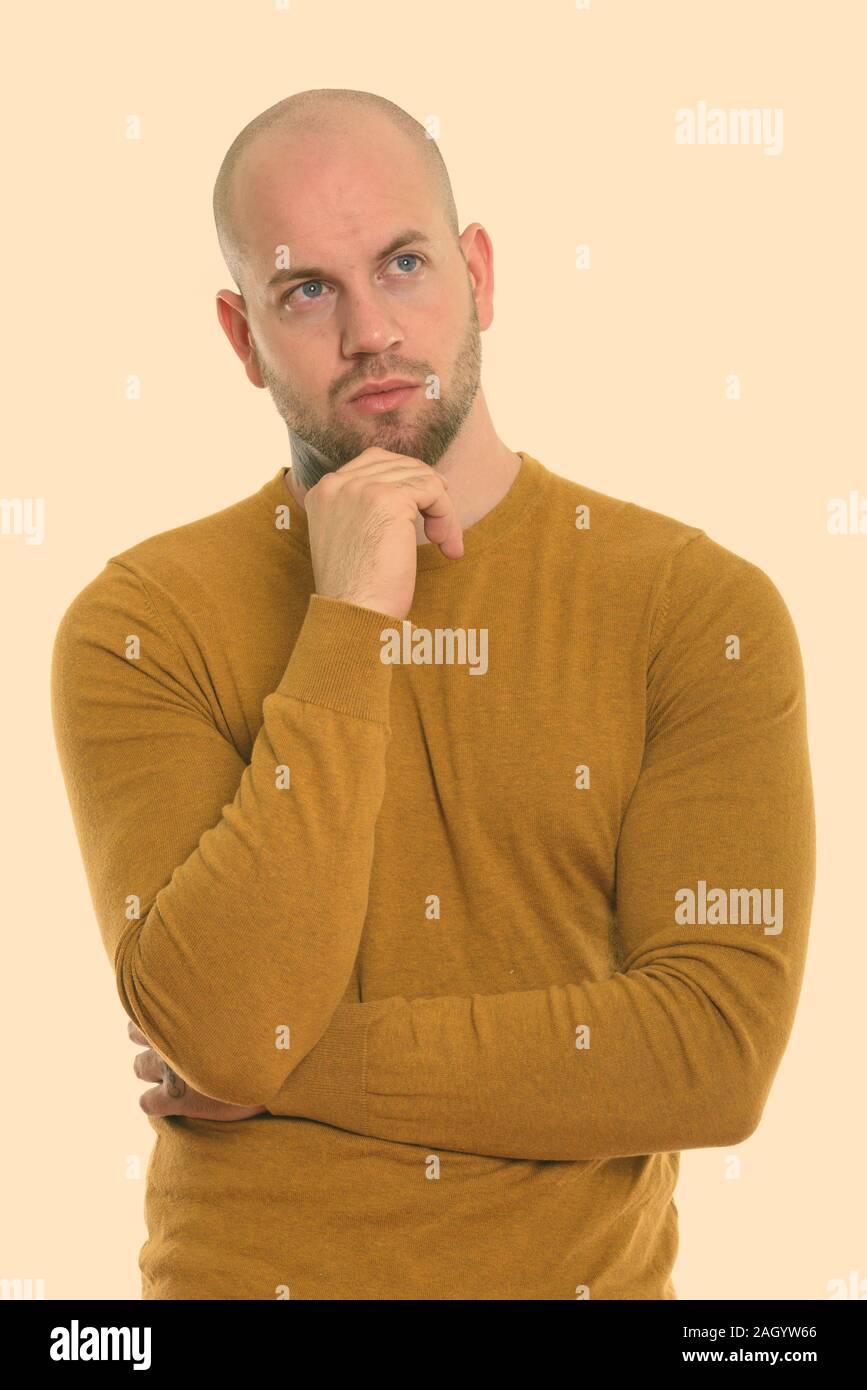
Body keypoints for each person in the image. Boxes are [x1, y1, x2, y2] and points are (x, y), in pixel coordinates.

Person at [50, 87, 815, 1300]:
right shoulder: (141, 624)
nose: (370, 332)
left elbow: (713, 1055)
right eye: (307, 290)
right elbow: (230, 1016)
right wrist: (348, 618)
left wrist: (288, 1067)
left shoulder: (698, 608)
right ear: (241, 338)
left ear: (478, 276)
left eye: (403, 264)